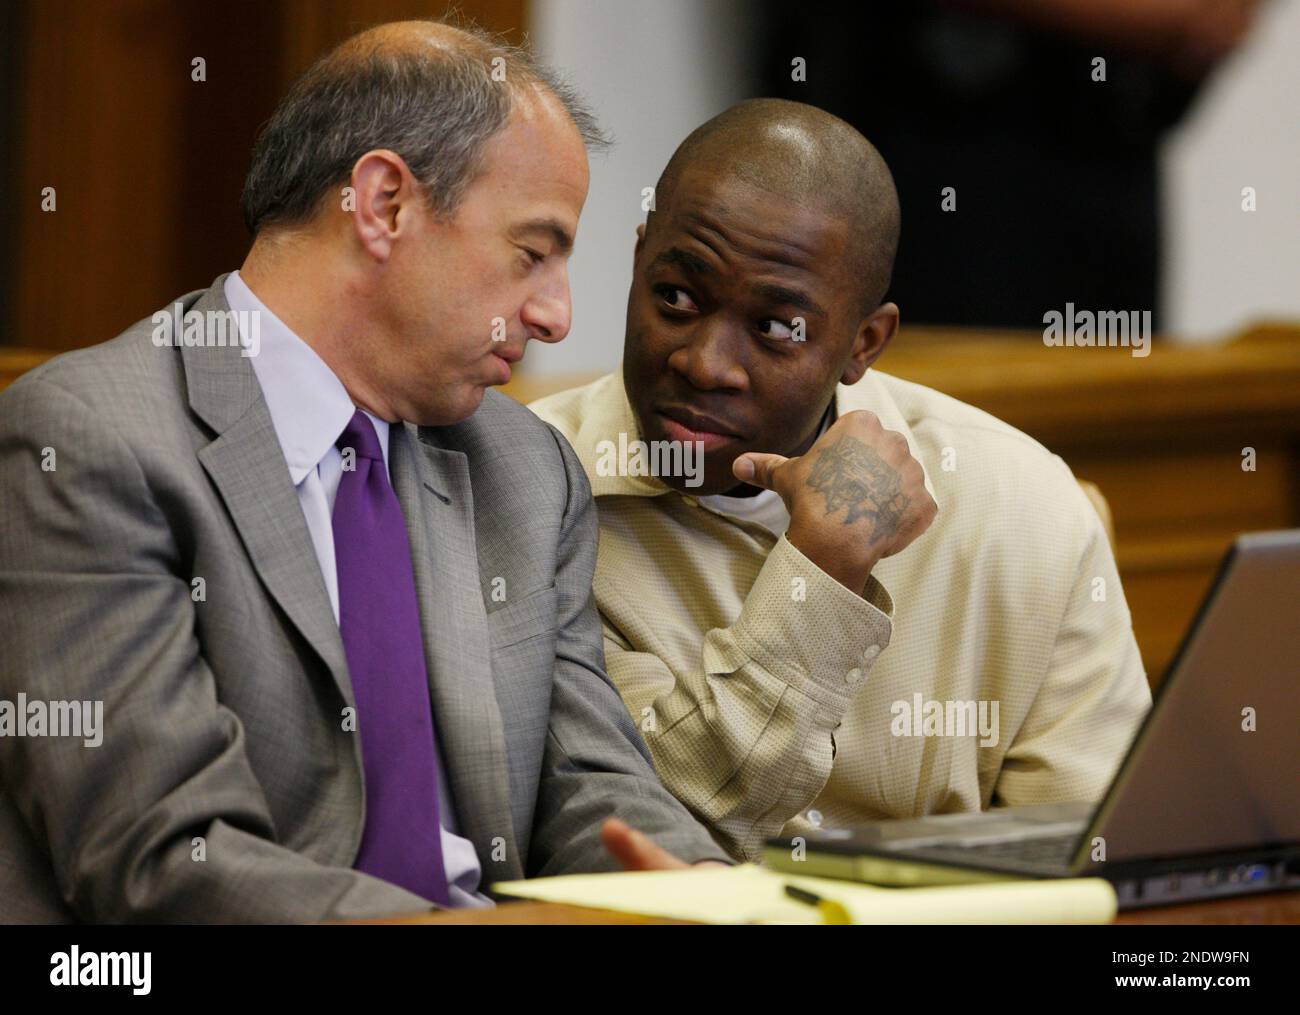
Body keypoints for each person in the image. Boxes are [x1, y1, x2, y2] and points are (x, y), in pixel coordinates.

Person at [0, 20, 727, 924]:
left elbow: (593, 785)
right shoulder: (92, 440)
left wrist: (702, 895)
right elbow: (162, 857)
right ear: (383, 205)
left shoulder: (524, 469)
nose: (556, 316)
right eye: (532, 253)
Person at [531, 98, 1152, 863]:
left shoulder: (1019, 502)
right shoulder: (529, 493)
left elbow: (1098, 858)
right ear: (637, 265)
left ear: (865, 343)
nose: (704, 362)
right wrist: (820, 572)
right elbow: (642, 837)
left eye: (776, 329)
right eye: (676, 299)